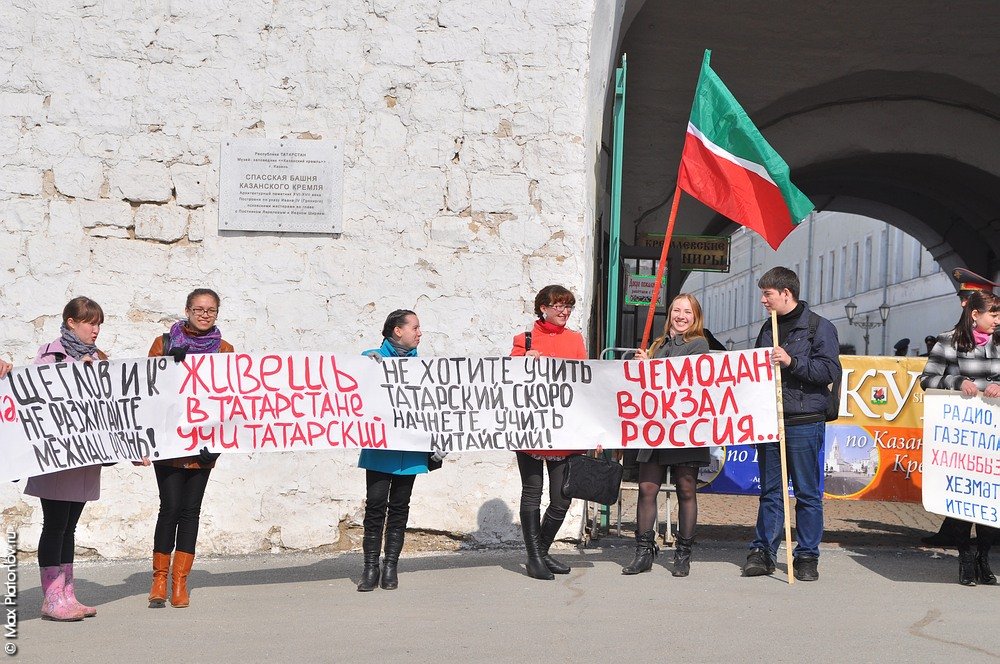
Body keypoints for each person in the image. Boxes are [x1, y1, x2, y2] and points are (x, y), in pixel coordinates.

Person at [742, 267, 841, 582]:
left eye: (767, 294)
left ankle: (807, 556)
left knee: (807, 492)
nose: (763, 300)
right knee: (770, 491)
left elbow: (829, 371)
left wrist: (792, 362)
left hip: (804, 420)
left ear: (786, 293)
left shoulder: (818, 328)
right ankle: (764, 552)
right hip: (771, 419)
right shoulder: (767, 328)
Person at [146, 289, 233, 608]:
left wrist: (219, 444)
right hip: (170, 442)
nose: (204, 314)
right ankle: (159, 579)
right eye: (199, 309)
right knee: (169, 508)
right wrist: (171, 366)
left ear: (217, 314)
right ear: (187, 310)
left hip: (204, 444)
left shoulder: (225, 350)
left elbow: (229, 401)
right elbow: (148, 391)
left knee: (191, 511)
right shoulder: (164, 343)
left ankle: (180, 582)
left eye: (211, 310)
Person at [24, 297, 109, 621]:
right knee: (55, 526)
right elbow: (32, 397)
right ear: (71, 322)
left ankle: (67, 594)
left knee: (70, 528)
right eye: (90, 322)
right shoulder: (49, 356)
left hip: (84, 460)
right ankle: (51, 597)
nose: (95, 329)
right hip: (57, 459)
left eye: (99, 323)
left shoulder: (99, 358)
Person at [622, 294, 711, 577]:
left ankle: (683, 554)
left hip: (685, 429)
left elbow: (689, 380)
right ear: (669, 313)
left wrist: (653, 368)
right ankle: (643, 552)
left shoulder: (699, 344)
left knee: (686, 489)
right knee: (647, 488)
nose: (681, 316)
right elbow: (647, 386)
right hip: (655, 430)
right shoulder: (658, 345)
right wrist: (643, 366)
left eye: (687, 311)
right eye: (676, 310)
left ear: (695, 316)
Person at [357, 309, 443, 592]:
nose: (420, 333)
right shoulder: (371, 358)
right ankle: (370, 567)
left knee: (399, 508)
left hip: (410, 450)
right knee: (375, 506)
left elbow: (437, 405)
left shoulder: (423, 368)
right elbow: (350, 389)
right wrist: (365, 369)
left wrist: (440, 440)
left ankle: (391, 565)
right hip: (380, 448)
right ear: (398, 331)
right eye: (415, 327)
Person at [919, 290, 999, 586]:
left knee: (991, 499)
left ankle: (984, 557)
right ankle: (965, 558)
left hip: (993, 435)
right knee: (965, 499)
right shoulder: (949, 340)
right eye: (993, 314)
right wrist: (958, 381)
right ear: (975, 314)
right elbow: (927, 379)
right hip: (962, 436)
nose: (997, 321)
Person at [510, 284, 587, 580]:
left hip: (563, 430)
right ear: (543, 307)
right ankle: (535, 558)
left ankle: (540, 551)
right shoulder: (524, 340)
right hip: (530, 428)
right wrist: (523, 364)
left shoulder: (575, 340)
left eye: (568, 307)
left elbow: (585, 384)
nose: (564, 312)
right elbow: (508, 382)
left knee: (561, 498)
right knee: (532, 492)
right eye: (559, 306)